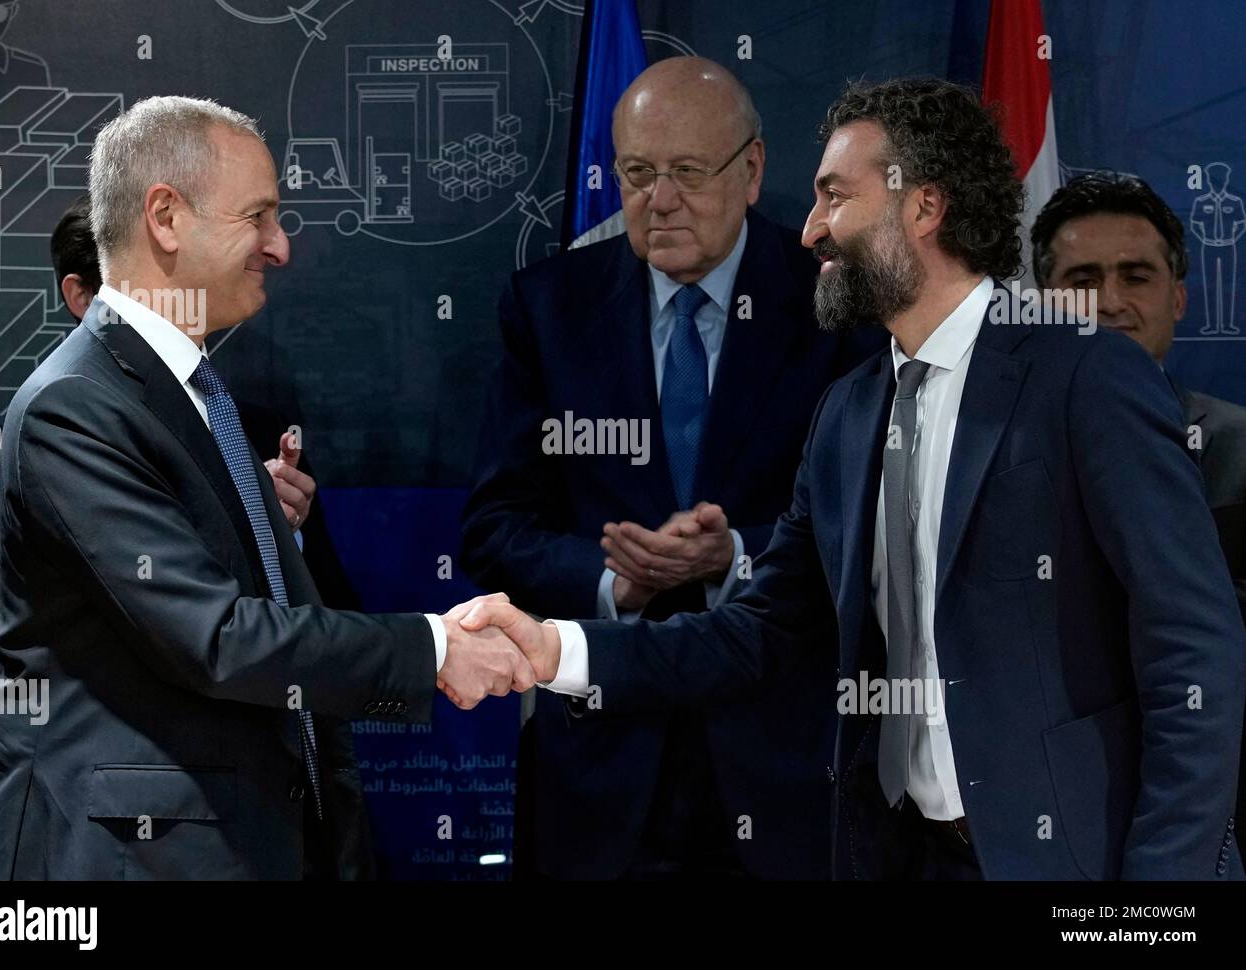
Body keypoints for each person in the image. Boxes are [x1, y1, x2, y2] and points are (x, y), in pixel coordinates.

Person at [462, 78, 1246, 881]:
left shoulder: (1087, 376)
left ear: (925, 208)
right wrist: (557, 648)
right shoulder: (848, 411)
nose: (808, 232)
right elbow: (757, 630)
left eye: (835, 197)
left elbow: (1193, 651)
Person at [0, 96, 529, 880]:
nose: (281, 246)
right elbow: (220, 638)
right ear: (165, 216)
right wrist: (434, 647)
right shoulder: (77, 406)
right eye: (259, 216)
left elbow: (272, 609)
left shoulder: (197, 392)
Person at [461, 56, 880, 880]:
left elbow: (875, 531)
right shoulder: (548, 308)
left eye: (688, 172)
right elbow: (494, 528)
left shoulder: (835, 305)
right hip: (600, 774)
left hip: (783, 765)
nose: (660, 201)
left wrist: (739, 556)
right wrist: (617, 582)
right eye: (638, 173)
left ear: (753, 169)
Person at [1032, 169, 1246, 863]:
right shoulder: (989, 458)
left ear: (1180, 297)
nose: (1110, 302)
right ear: (1038, 303)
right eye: (1082, 278)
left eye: (1136, 275)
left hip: (1204, 824)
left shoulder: (1242, 451)